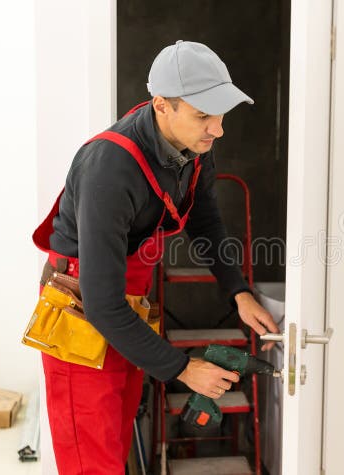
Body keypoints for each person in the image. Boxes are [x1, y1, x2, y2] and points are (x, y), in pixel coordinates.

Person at [32, 40, 279, 474]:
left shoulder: (194, 146)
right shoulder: (109, 167)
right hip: (81, 308)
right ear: (162, 105)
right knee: (92, 458)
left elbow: (205, 222)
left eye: (220, 115)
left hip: (128, 303)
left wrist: (237, 291)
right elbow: (102, 302)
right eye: (203, 115)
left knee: (117, 438)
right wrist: (183, 369)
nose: (216, 129)